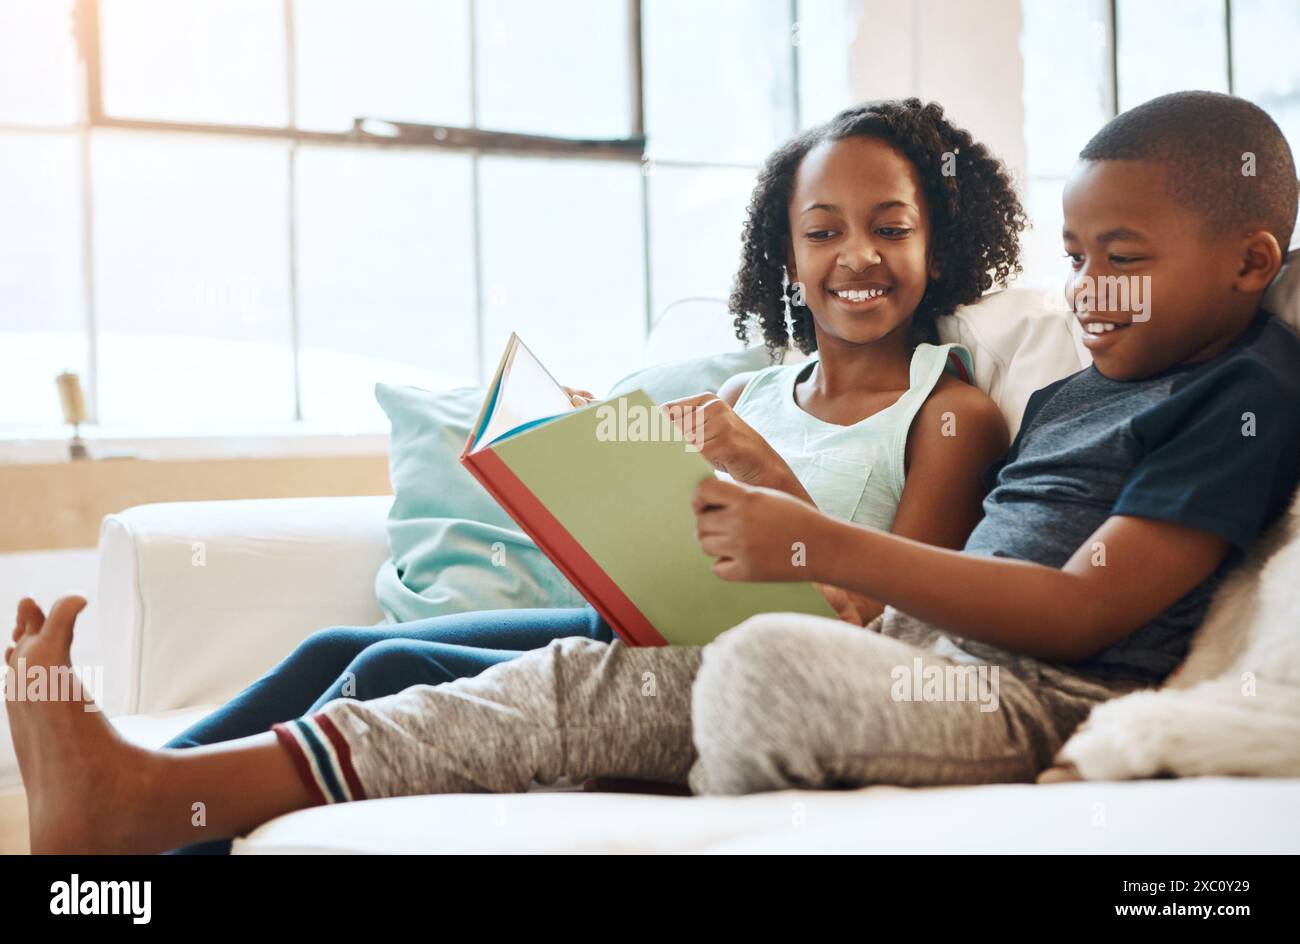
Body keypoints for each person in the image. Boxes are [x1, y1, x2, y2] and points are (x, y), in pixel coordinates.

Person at [14, 91, 1298, 855]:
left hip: (1033, 699)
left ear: (1252, 262)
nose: (1085, 291)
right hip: (914, 648)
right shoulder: (1076, 386)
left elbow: (1084, 608)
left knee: (751, 669)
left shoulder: (1239, 396)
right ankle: (160, 794)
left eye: (1117, 255)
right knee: (570, 681)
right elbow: (947, 581)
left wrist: (821, 551)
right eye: (1073, 256)